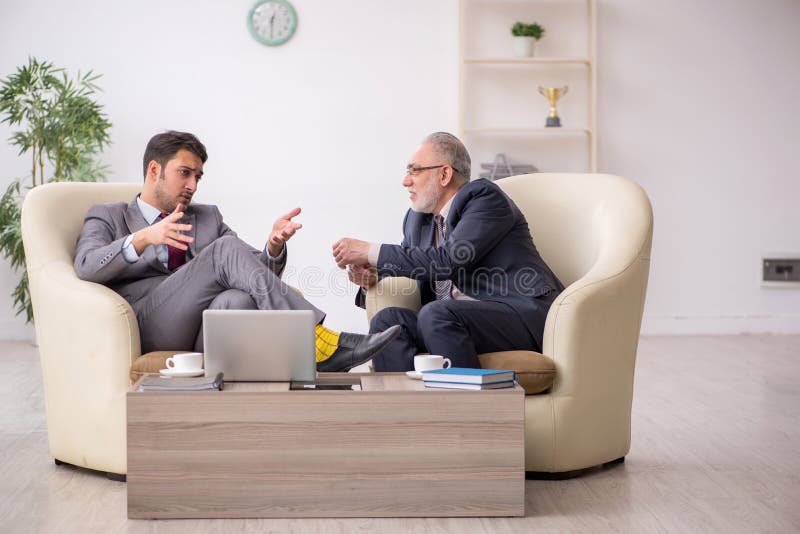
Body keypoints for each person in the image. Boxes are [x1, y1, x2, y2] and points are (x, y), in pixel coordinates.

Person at [74, 130, 399, 372]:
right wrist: (144, 237)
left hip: (206, 331)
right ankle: (315, 339)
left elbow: (251, 272)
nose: (193, 186)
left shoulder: (206, 216)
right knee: (223, 250)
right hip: (151, 324)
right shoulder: (108, 215)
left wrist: (272, 247)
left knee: (240, 298)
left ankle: (256, 418)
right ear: (154, 171)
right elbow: (87, 266)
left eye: (198, 177)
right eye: (184, 173)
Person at [332, 132, 564, 371]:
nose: (405, 181)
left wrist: (369, 250)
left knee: (436, 313)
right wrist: (373, 276)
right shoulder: (417, 219)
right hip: (449, 322)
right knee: (388, 321)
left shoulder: (484, 199)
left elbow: (449, 260)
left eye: (414, 171)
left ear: (444, 174)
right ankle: (401, 407)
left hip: (518, 315)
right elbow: (413, 263)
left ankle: (460, 407)